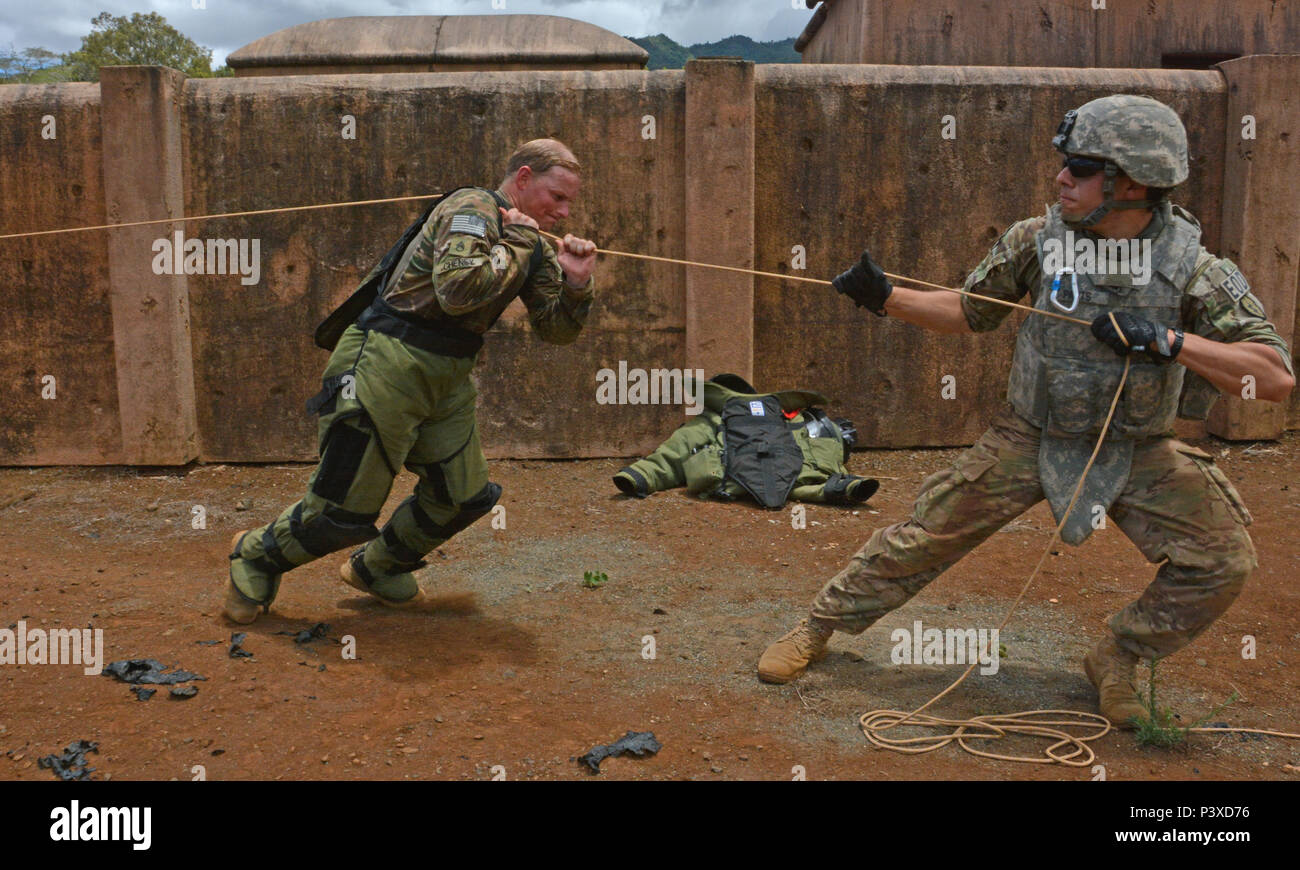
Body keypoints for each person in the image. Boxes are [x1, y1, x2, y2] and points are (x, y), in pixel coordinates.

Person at [756, 95, 1295, 728]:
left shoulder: (1193, 268)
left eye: (1083, 167)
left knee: (1223, 558)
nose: (1061, 179)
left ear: (1134, 183)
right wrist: (885, 296)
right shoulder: (1036, 241)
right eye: (1065, 163)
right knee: (924, 537)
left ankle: (1118, 657)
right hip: (1028, 434)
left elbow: (1274, 377)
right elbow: (968, 312)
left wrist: (1172, 341)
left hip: (1137, 446)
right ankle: (819, 626)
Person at [224, 139, 598, 622]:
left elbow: (558, 331)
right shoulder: (474, 207)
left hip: (447, 374)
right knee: (342, 509)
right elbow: (459, 290)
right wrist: (522, 241)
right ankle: (254, 555)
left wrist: (576, 282)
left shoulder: (528, 241)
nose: (565, 213)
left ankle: (377, 568)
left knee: (462, 495)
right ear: (523, 178)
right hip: (384, 360)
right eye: (558, 197)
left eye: (570, 202)